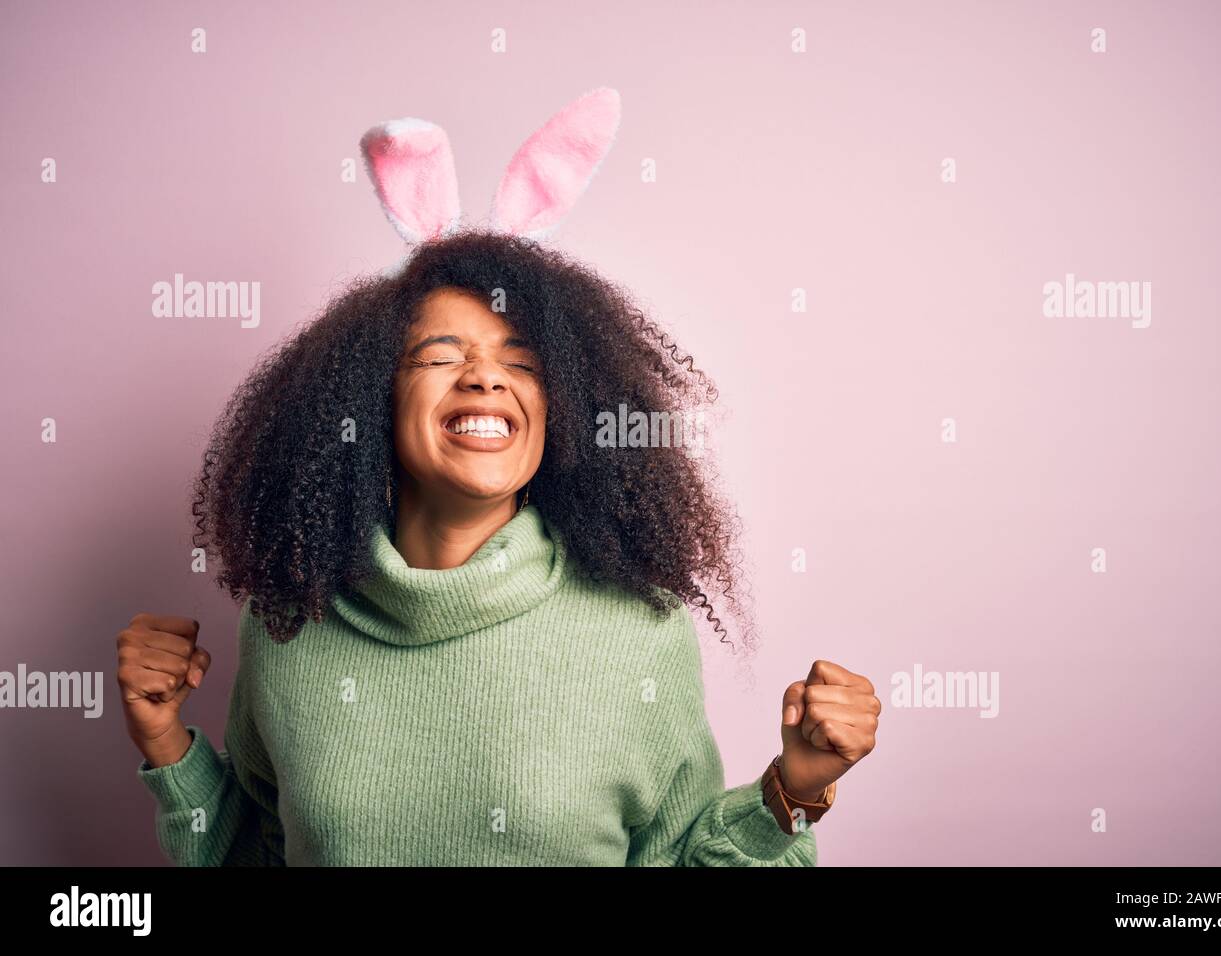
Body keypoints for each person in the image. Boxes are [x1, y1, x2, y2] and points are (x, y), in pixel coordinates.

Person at [117, 229, 881, 865]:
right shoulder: (289, 620)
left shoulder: (639, 629)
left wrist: (795, 790)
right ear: (369, 399)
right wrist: (169, 746)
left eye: (521, 362)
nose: (486, 378)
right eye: (443, 355)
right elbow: (261, 856)